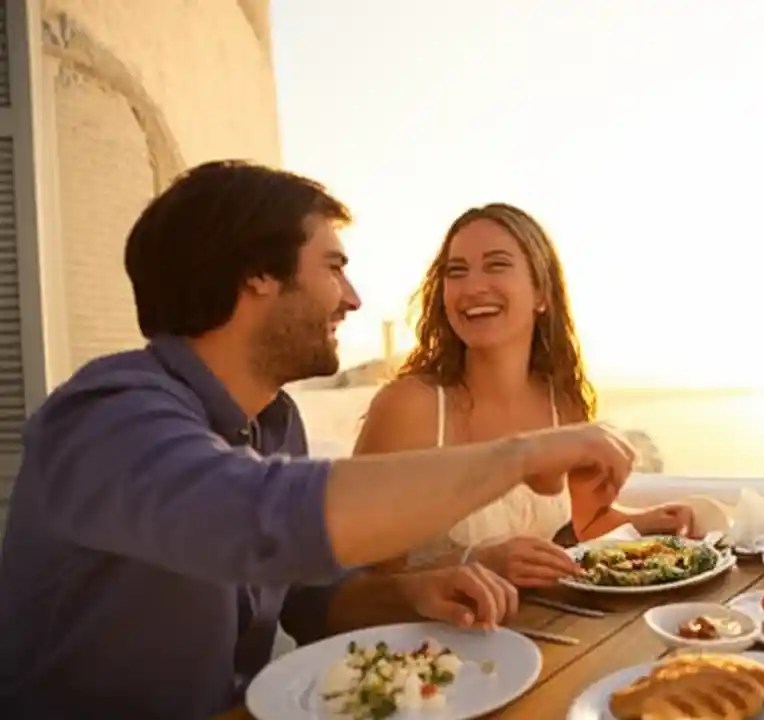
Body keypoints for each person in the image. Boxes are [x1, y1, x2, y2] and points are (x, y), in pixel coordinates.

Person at [0, 162, 635, 720]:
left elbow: (310, 599)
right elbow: (260, 518)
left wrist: (415, 592)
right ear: (257, 276)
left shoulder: (274, 421)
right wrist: (521, 455)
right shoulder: (104, 415)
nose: (353, 299)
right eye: (333, 267)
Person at [353, 203, 694, 588]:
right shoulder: (409, 407)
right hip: (432, 644)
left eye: (496, 265)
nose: (472, 287)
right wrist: (471, 563)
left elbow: (583, 524)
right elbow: (358, 580)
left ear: (541, 293)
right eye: (457, 271)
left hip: (542, 634)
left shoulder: (561, 403)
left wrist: (645, 521)